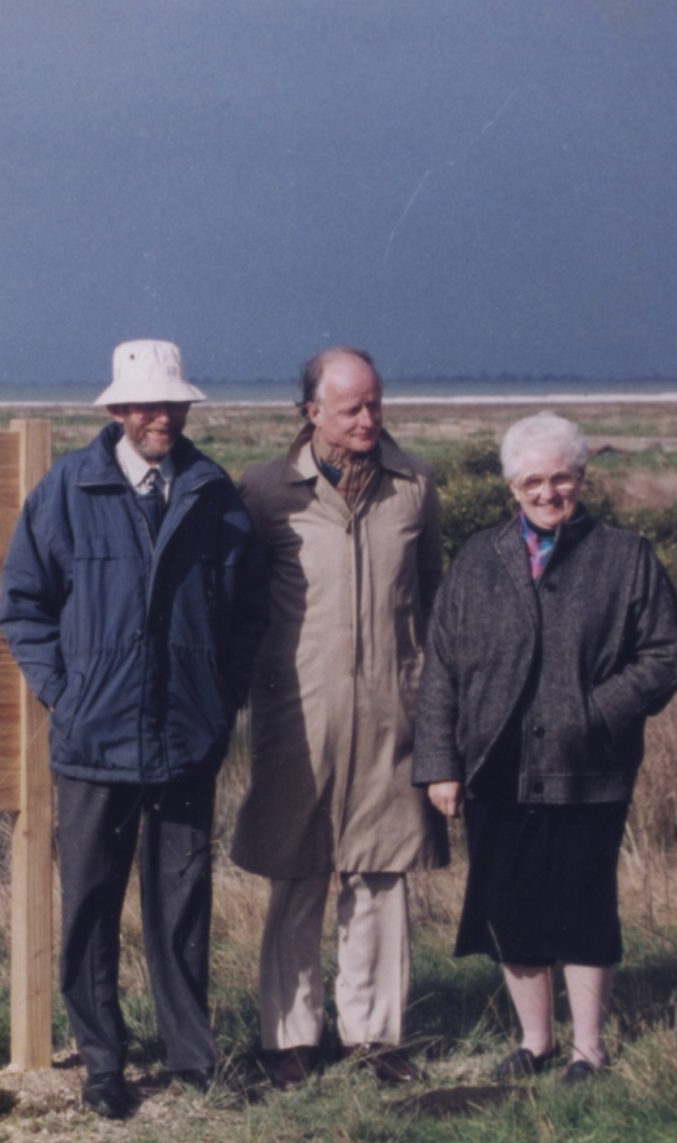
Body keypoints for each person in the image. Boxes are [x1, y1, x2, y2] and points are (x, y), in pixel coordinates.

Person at [0, 339, 264, 1120]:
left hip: (186, 737)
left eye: (173, 405)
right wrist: (66, 694)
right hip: (93, 743)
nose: (162, 419)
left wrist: (221, 695)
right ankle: (104, 1063)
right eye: (147, 406)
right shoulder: (66, 491)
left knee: (182, 904)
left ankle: (190, 1055)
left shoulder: (213, 492)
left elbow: (247, 614)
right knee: (89, 904)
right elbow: (23, 604)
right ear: (117, 411)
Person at [413, 412, 677, 1083]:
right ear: (511, 487)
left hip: (588, 770)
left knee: (584, 906)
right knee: (511, 909)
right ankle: (534, 1043)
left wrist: (594, 714)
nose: (547, 492)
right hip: (495, 768)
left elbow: (664, 656)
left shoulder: (626, 558)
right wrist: (441, 765)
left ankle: (588, 1050)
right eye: (532, 480)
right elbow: (442, 667)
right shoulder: (478, 559)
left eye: (560, 478)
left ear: (582, 479)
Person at [231, 346, 449, 1089]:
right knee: (297, 872)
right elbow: (243, 609)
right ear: (311, 412)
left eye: (376, 403)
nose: (368, 419)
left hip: (394, 713)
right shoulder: (263, 492)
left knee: (381, 875)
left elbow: (429, 599)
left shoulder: (415, 485)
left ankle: (374, 1040)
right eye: (352, 407)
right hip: (300, 717)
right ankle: (289, 1040)